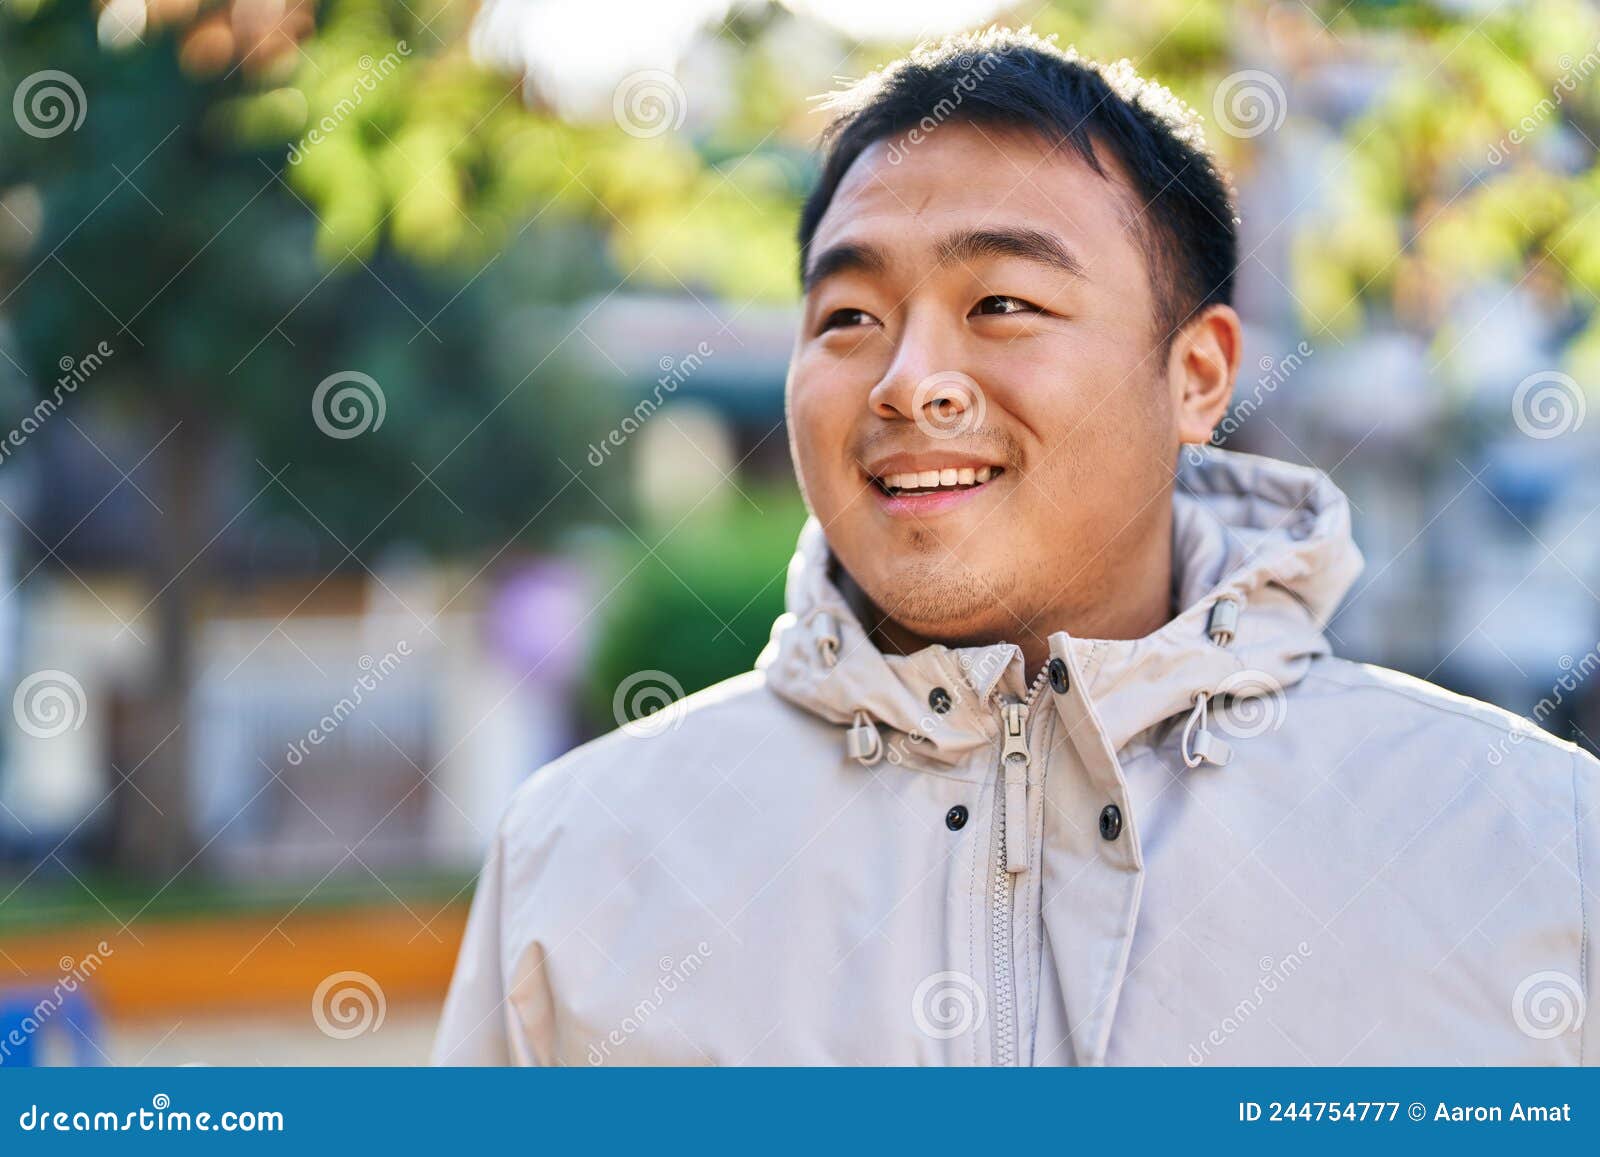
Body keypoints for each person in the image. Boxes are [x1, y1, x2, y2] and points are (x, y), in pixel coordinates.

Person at [433, 28, 1599, 1066]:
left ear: (1195, 376)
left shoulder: (1529, 837)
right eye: (848, 317)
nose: (907, 382)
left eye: (1002, 305)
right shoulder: (584, 853)